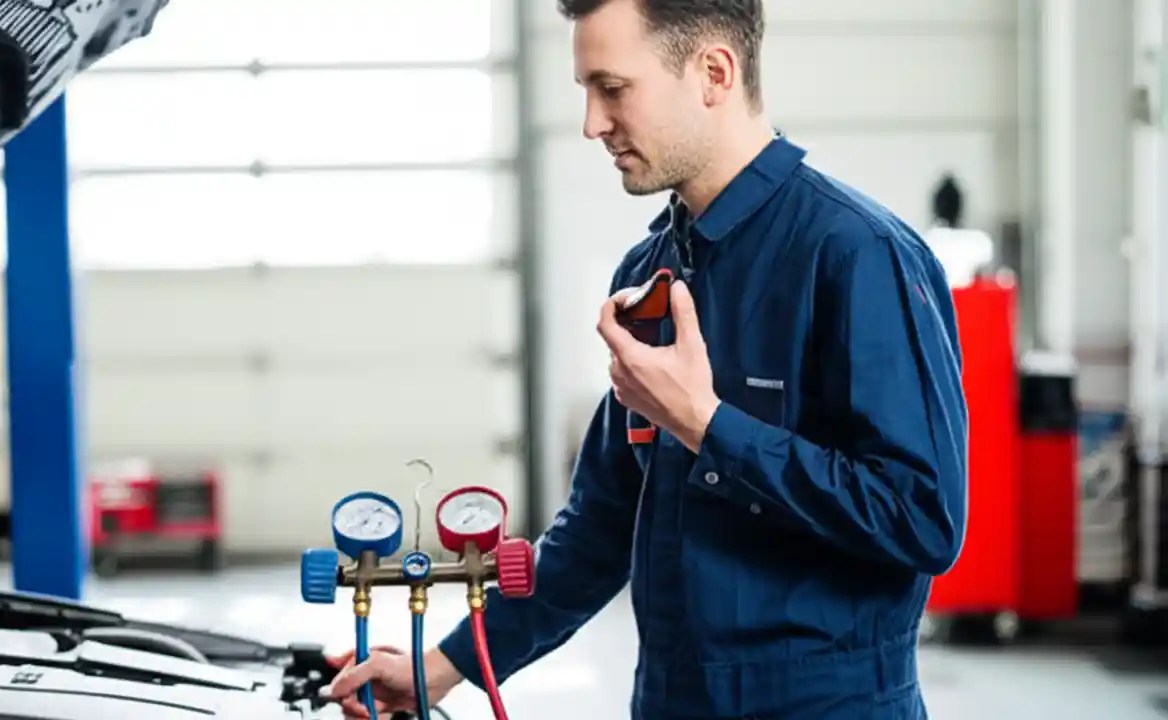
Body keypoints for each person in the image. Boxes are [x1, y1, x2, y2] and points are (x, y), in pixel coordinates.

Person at [325, 0, 968, 718]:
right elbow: (599, 527)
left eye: (613, 87)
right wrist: (445, 664)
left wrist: (710, 426)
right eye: (586, 92)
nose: (592, 122)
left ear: (713, 72)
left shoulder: (856, 255)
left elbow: (924, 519)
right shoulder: (650, 273)